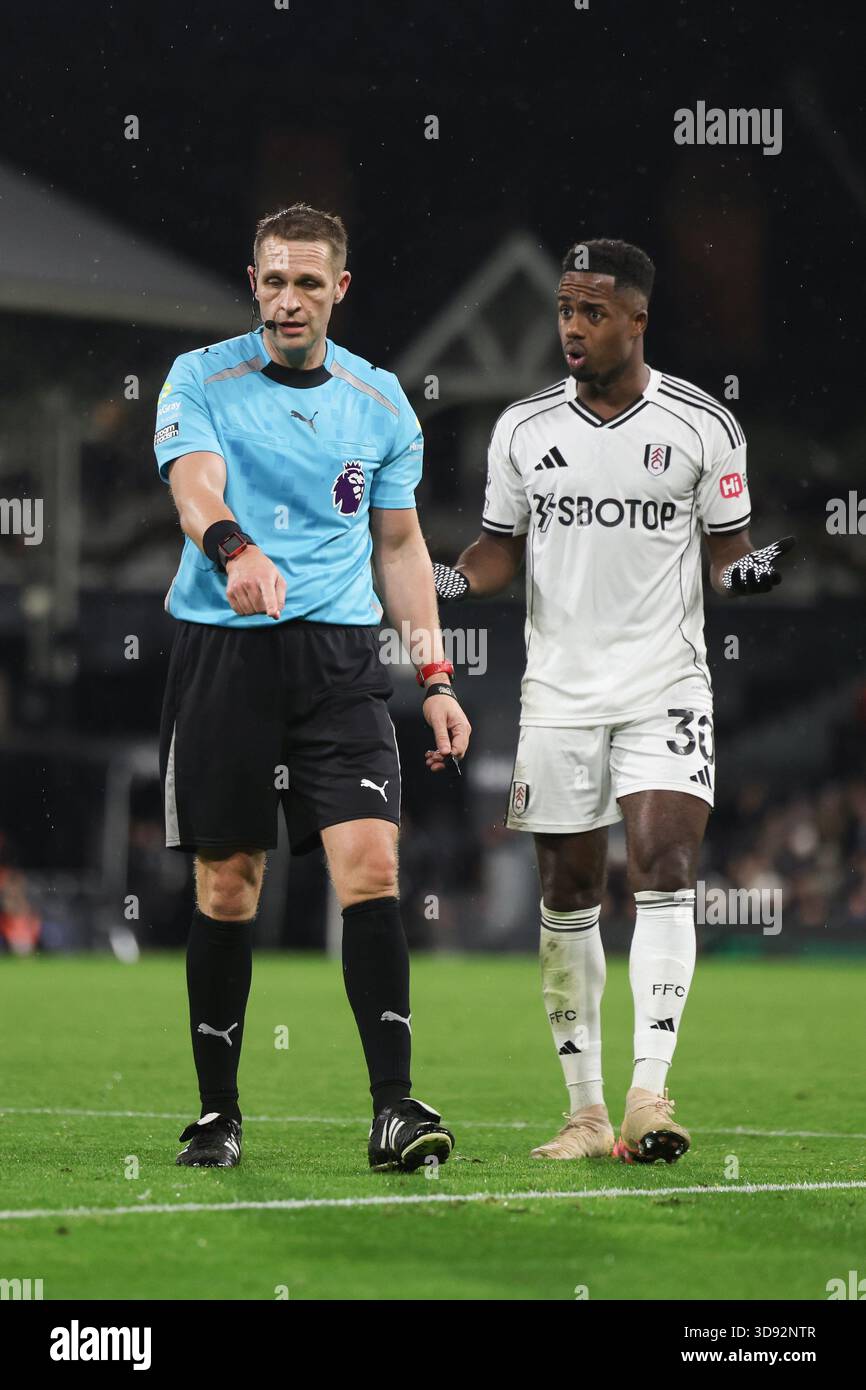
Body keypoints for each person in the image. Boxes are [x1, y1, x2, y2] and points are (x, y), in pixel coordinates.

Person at [433, 238, 793, 1163]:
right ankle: (586, 1114)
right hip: (556, 694)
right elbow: (499, 547)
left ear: (637, 319)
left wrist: (748, 574)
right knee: (568, 890)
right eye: (564, 310)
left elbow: (727, 551)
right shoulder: (519, 429)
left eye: (592, 312)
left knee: (665, 864)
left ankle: (649, 1096)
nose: (572, 328)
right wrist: (449, 581)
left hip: (664, 683)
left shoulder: (705, 425)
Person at [155, 203, 470, 1171]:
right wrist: (232, 546)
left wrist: (435, 674)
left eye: (307, 282)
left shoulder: (379, 404)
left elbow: (402, 545)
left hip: (339, 659)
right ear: (252, 282)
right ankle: (218, 1114)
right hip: (224, 650)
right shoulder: (199, 377)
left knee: (372, 866)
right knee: (228, 882)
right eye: (272, 280)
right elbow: (193, 486)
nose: (287, 299)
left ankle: (394, 1108)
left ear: (340, 289)